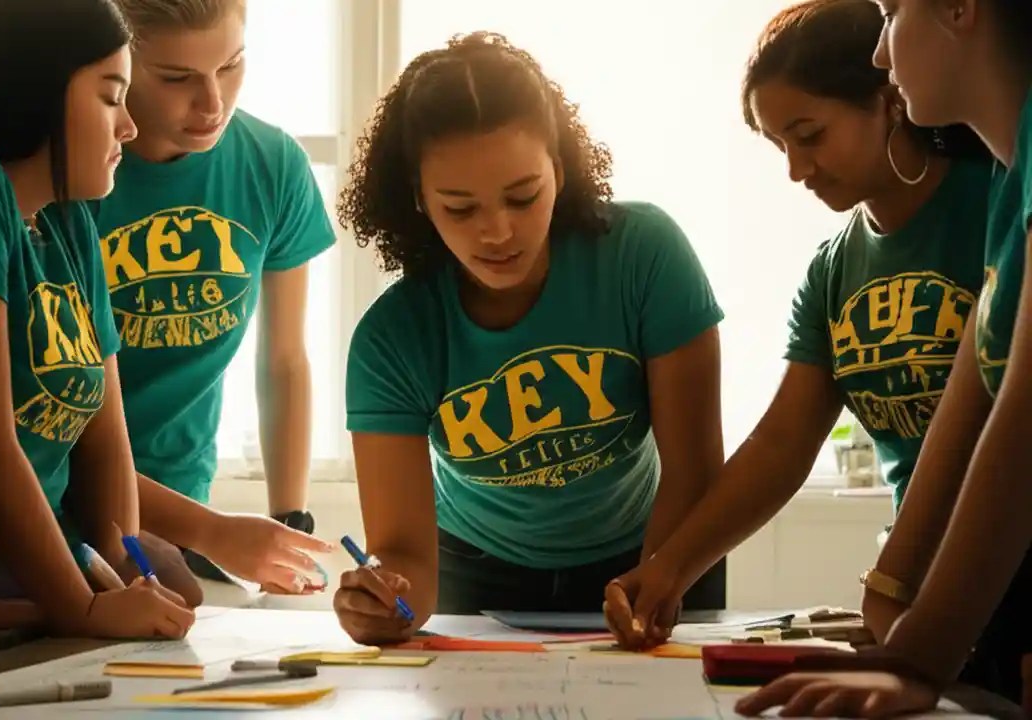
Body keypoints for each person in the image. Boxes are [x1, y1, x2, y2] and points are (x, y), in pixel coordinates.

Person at [605, 0, 1007, 673]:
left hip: (996, 570)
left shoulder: (998, 200)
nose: (796, 169)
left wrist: (892, 582)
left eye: (810, 134)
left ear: (889, 101)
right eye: (779, 146)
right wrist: (670, 567)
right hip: (921, 584)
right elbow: (781, 445)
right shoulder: (832, 270)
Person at [331, 31, 727, 644]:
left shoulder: (644, 255)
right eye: (461, 209)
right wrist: (384, 602)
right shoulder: (392, 338)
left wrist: (659, 575)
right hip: (478, 574)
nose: (497, 231)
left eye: (523, 197)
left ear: (559, 172)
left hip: (661, 546)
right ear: (419, 202)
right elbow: (405, 558)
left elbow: (695, 473)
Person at [737, 0, 1032, 716]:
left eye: (892, 10)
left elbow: (1023, 426)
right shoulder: (1012, 172)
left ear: (959, 8)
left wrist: (917, 654)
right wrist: (902, 614)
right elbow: (978, 394)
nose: (879, 51)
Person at [0, 0, 196, 639]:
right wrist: (83, 608)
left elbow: (105, 437)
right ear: (33, 83)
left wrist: (127, 567)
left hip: (46, 582)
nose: (129, 128)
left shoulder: (69, 220)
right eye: (110, 97)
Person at [93, 0, 336, 591]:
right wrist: (212, 532)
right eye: (176, 78)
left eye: (230, 66)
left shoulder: (272, 165)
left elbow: (284, 361)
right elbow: (50, 424)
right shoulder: (76, 172)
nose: (212, 104)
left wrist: (287, 523)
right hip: (68, 501)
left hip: (186, 513)